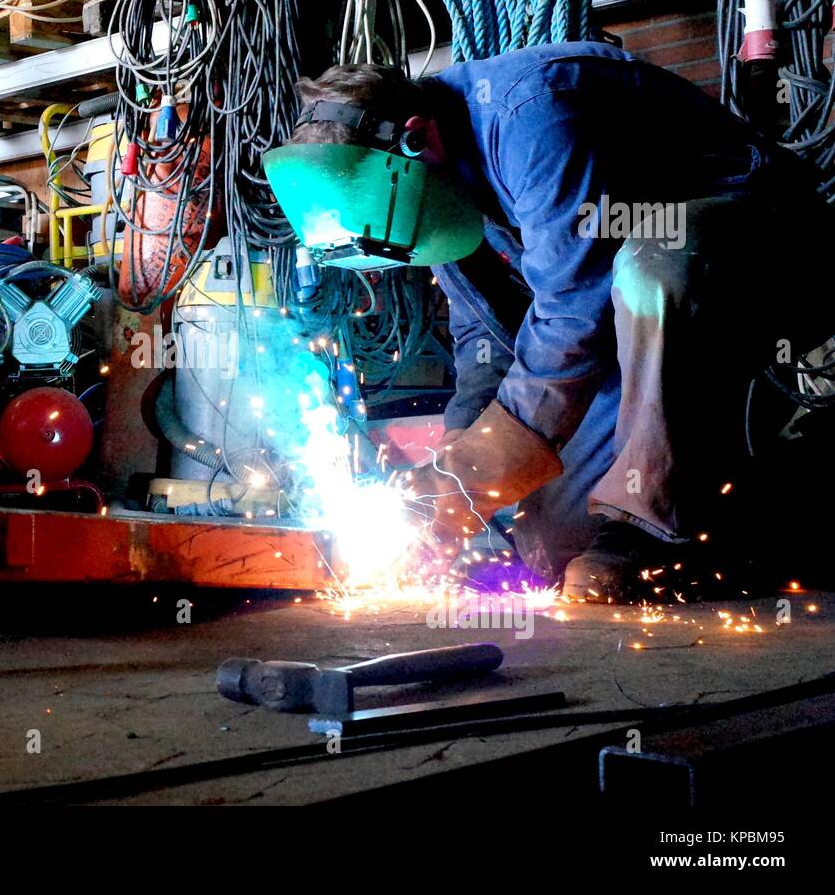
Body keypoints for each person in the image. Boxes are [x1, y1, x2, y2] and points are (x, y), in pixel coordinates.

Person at [280, 41, 833, 601]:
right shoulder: (430, 185)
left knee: (652, 262)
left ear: (416, 137)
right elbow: (483, 336)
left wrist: (469, 479)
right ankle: (671, 518)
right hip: (625, 322)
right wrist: (455, 459)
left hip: (767, 248)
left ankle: (656, 529)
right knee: (550, 548)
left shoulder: (531, 115)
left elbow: (575, 310)